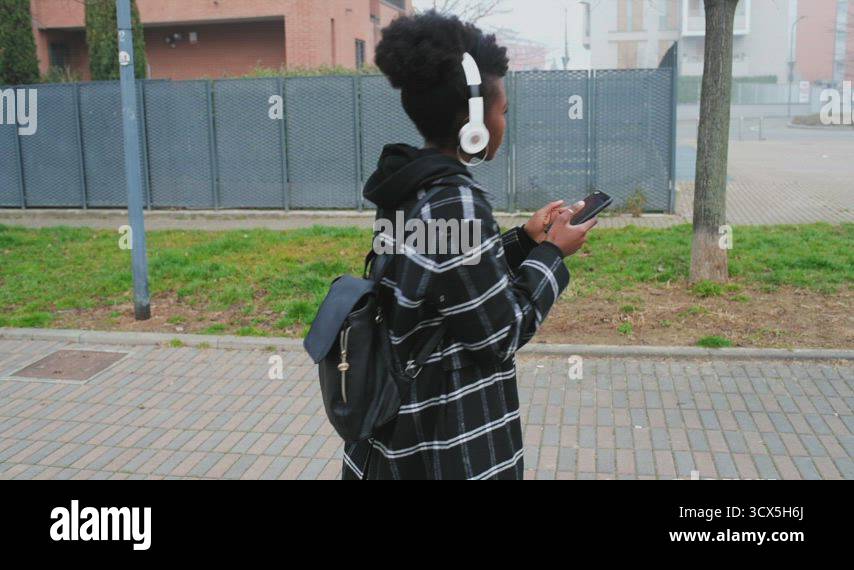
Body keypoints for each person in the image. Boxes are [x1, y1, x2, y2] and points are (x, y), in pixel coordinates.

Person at [343, 10, 597, 480]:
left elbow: (446, 277)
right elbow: (498, 335)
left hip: (399, 425)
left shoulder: (412, 184)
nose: (504, 122)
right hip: (445, 440)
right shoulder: (455, 201)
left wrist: (523, 241)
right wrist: (552, 255)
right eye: (502, 112)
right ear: (474, 123)